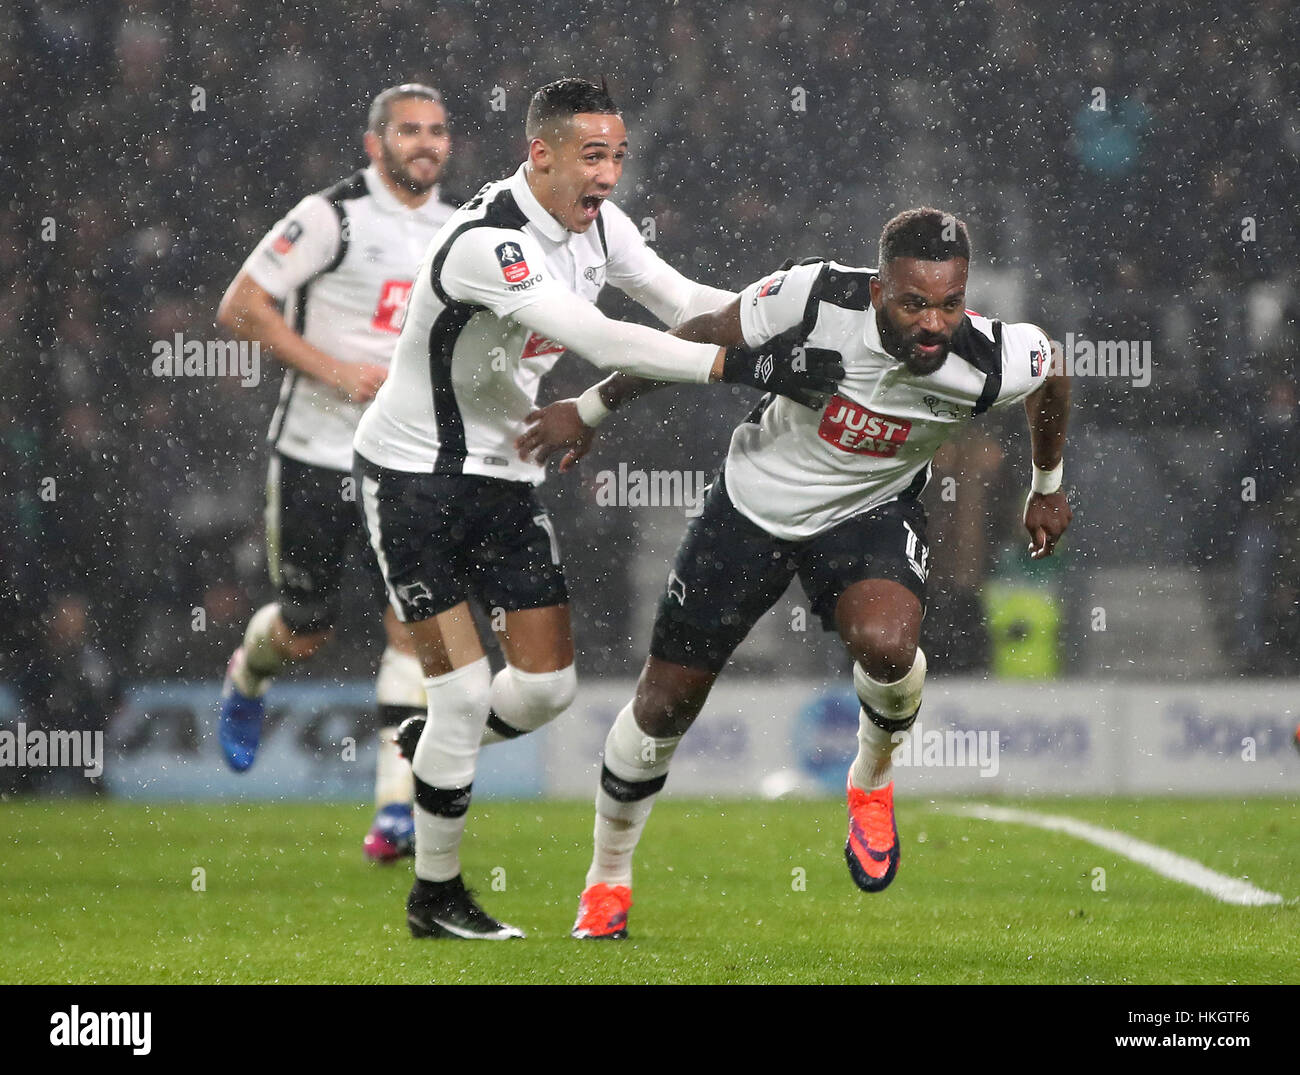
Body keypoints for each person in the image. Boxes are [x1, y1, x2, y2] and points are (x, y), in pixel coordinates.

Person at [351, 77, 839, 940]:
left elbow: (688, 304)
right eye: (591, 156)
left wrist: (785, 323)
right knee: (465, 696)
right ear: (540, 155)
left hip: (504, 475)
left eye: (617, 155)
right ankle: (435, 896)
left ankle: (436, 746)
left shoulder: (602, 227)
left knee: (545, 689)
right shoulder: (487, 243)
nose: (609, 174)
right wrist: (743, 371)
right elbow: (600, 340)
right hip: (413, 478)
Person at [518, 208, 1073, 939]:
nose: (933, 323)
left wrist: (1048, 483)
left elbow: (1052, 377)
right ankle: (608, 878)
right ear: (879, 291)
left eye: (949, 302)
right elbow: (698, 337)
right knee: (662, 707)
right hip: (750, 506)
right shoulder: (813, 298)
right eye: (913, 303)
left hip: (868, 511)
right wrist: (591, 407)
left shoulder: (997, 358)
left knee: (888, 642)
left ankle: (870, 781)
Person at [215, 84, 458, 861]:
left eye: (437, 131)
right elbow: (242, 306)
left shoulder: (460, 230)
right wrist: (333, 369)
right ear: (374, 143)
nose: (426, 143)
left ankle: (394, 808)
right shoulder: (331, 215)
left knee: (415, 625)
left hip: (407, 460)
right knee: (305, 627)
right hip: (317, 454)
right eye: (409, 131)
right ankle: (247, 676)